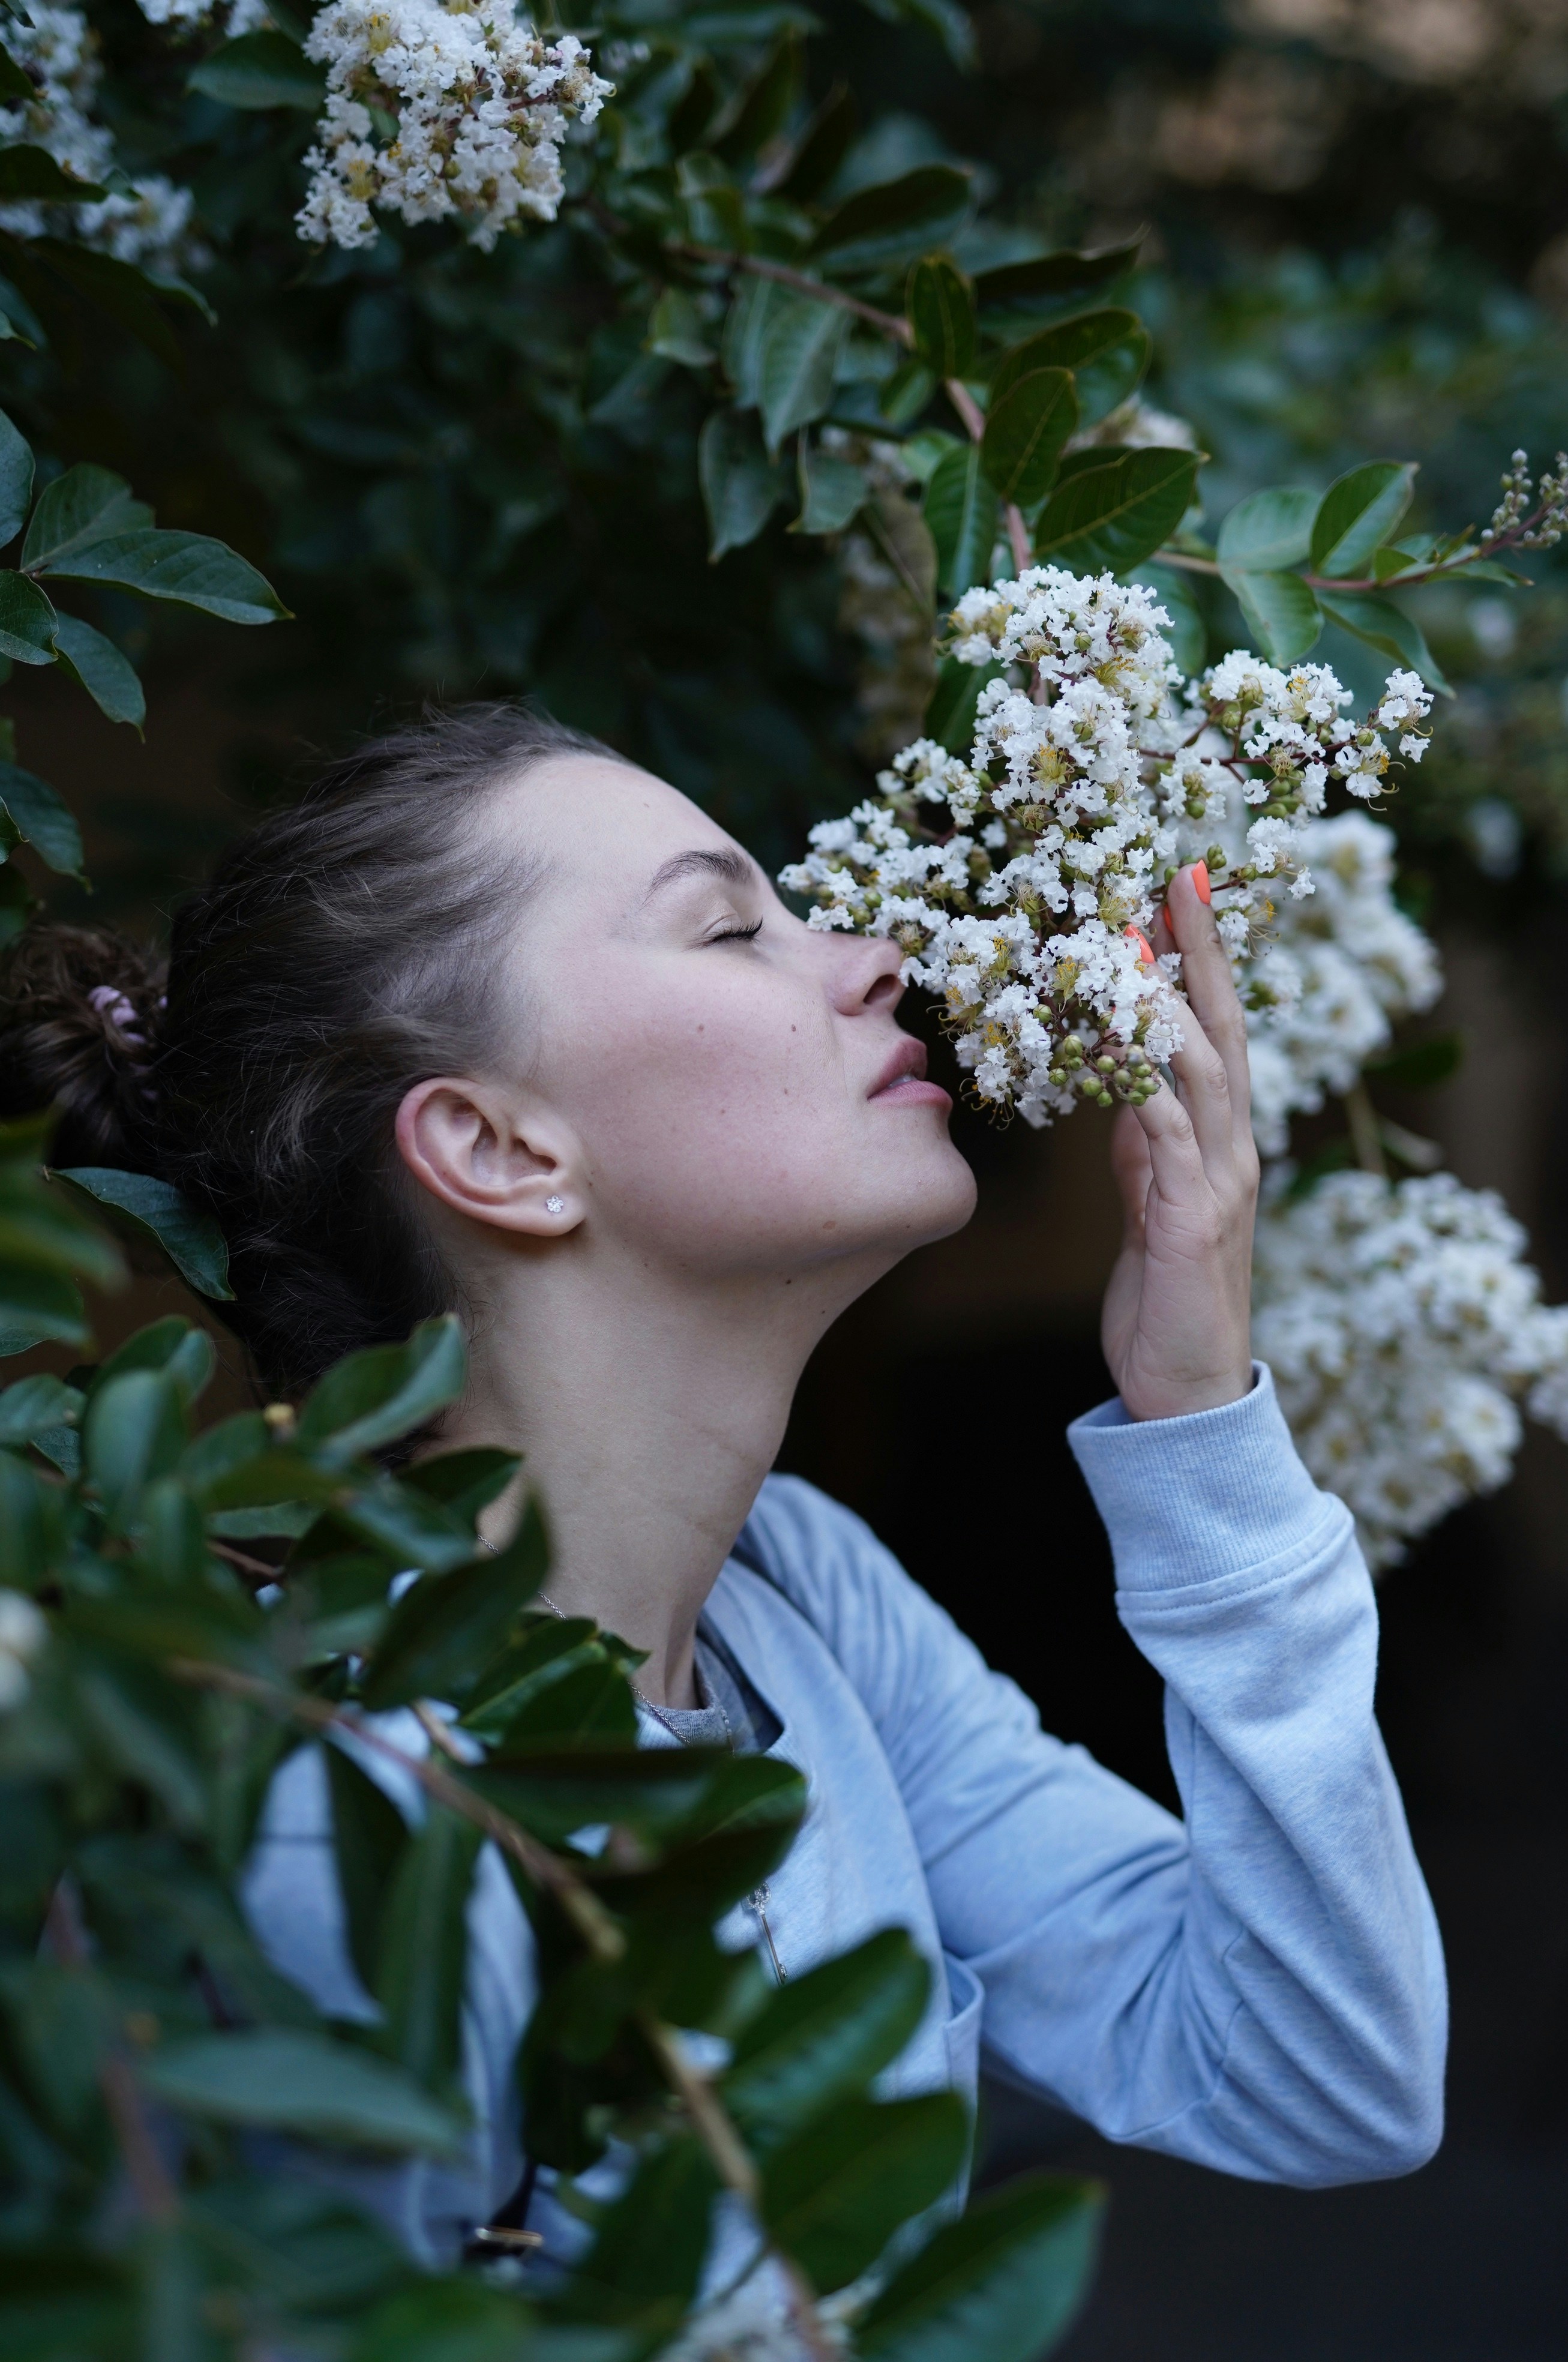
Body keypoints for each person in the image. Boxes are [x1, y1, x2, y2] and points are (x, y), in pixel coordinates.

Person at [0, 704, 1446, 2274]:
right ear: (496, 1147)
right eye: (730, 926)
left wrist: (1203, 1421)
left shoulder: (800, 1602)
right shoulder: (337, 1827)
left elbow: (1320, 2080)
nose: (870, 957)